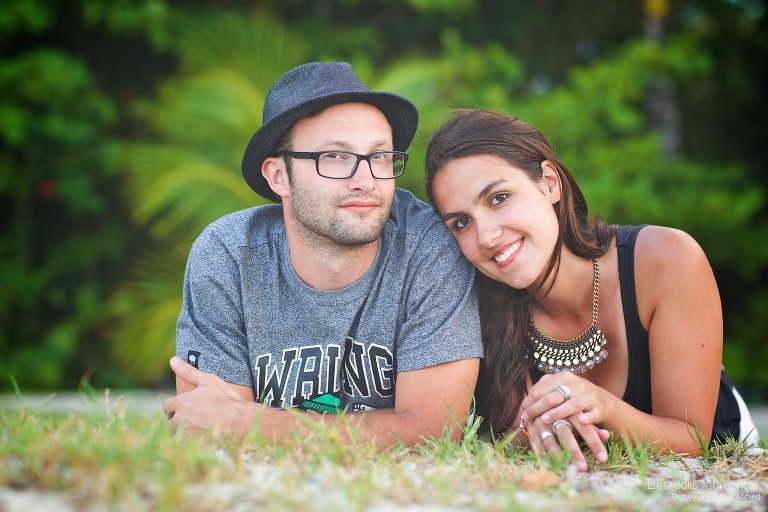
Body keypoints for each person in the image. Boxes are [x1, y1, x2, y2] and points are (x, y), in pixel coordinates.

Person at [160, 62, 484, 448]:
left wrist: (255, 425)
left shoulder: (428, 244)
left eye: (379, 157)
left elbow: (436, 430)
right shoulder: (228, 255)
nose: (366, 181)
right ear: (279, 176)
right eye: (334, 156)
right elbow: (208, 427)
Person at [424, 109, 759, 470]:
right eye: (461, 222)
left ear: (549, 183)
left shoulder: (664, 260)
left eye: (499, 198)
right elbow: (514, 438)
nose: (486, 236)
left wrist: (604, 406)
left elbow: (693, 441)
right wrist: (535, 425)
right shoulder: (479, 305)